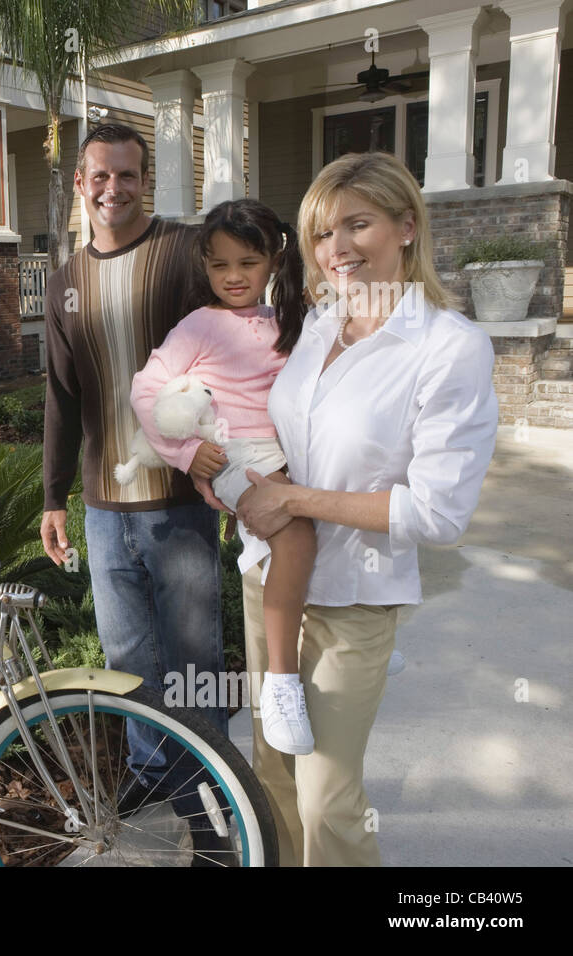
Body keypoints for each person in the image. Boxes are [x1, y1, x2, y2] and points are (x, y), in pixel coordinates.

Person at [230, 151, 497, 866]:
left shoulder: (449, 347)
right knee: (272, 775)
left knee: (329, 803)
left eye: (358, 224)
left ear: (407, 226)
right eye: (321, 233)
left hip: (354, 599)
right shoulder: (320, 323)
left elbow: (440, 514)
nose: (336, 249)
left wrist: (293, 498)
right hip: (267, 581)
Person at [41, 122, 226, 791]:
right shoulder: (64, 281)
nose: (112, 189)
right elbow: (61, 396)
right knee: (128, 660)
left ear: (145, 180)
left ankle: (210, 787)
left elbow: (228, 356)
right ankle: (155, 776)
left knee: (193, 662)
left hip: (178, 502)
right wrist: (50, 497)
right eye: (100, 176)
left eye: (126, 175)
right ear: (81, 185)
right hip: (102, 509)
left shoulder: (184, 251)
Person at [130, 199, 317, 755]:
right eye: (220, 265)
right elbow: (145, 389)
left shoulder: (291, 318)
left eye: (248, 262)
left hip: (288, 452)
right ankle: (283, 682)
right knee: (298, 532)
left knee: (327, 521)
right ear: (204, 268)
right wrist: (187, 454)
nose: (233, 277)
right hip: (233, 454)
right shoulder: (199, 325)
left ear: (276, 260)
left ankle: (344, 634)